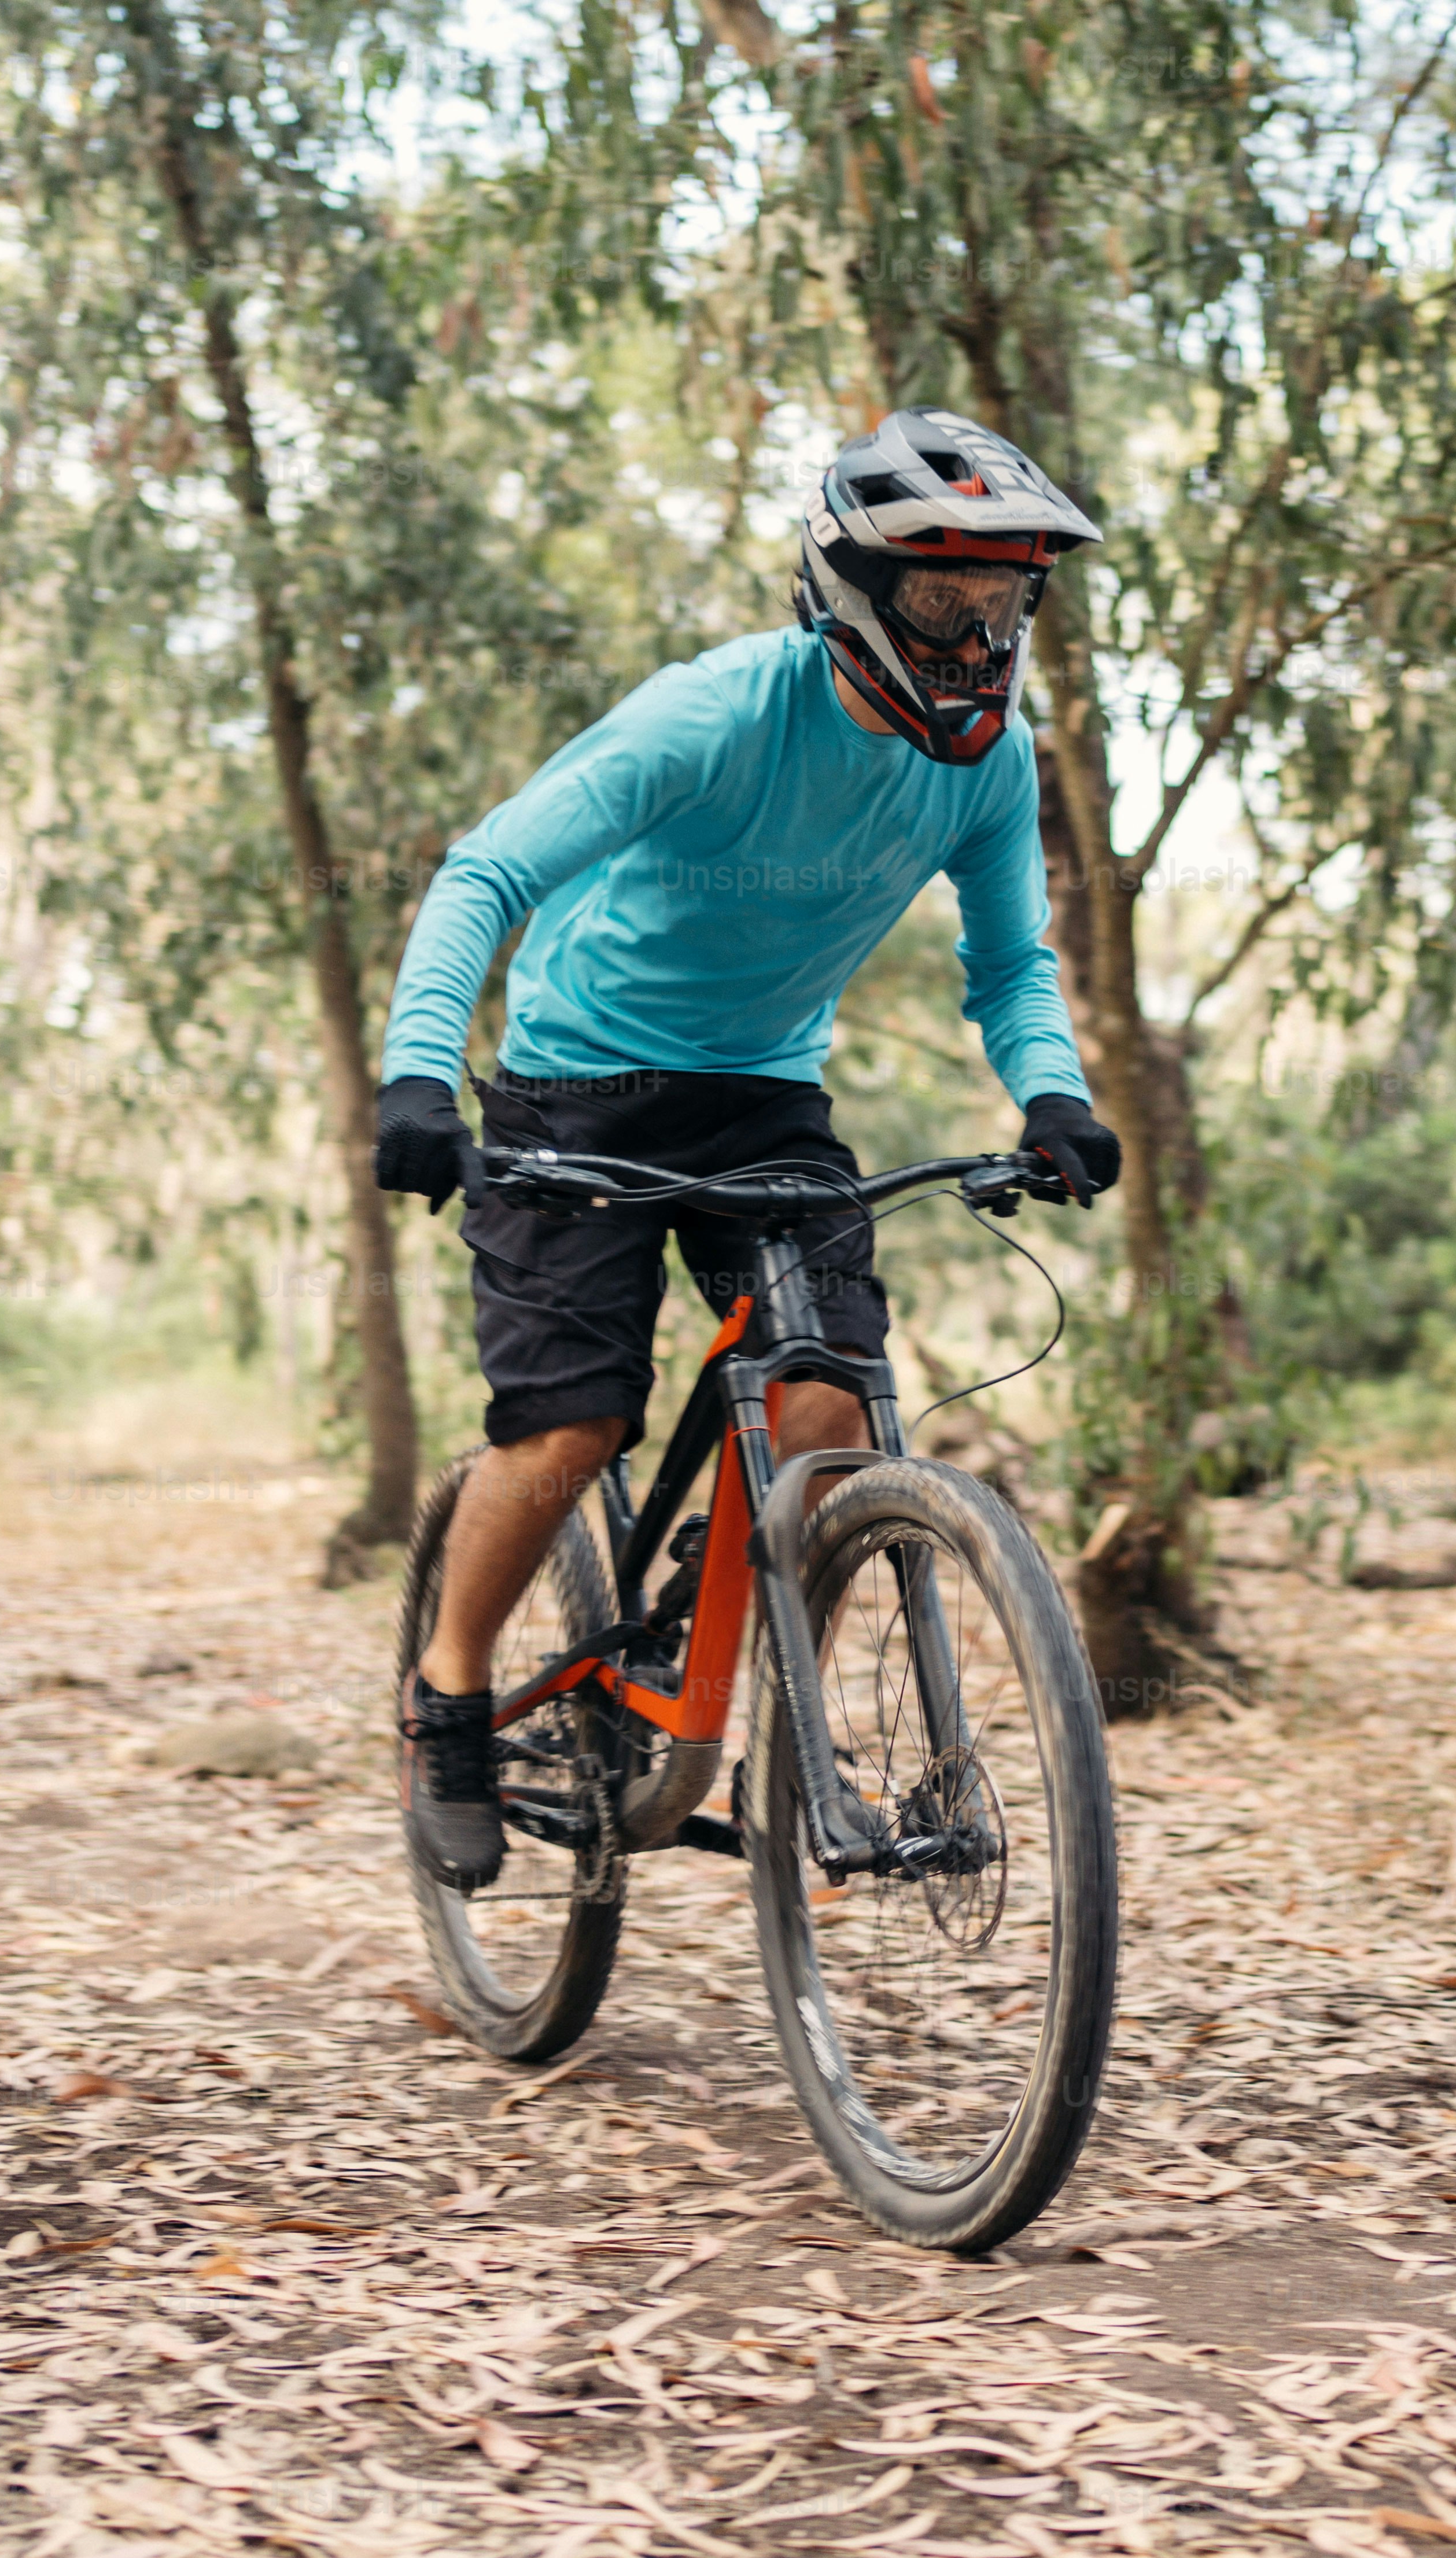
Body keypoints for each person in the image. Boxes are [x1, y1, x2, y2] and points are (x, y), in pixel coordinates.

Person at [370, 407, 1124, 1893]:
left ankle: (729, 1647)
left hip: (765, 1096)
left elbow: (1011, 964)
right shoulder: (714, 712)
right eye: (943, 600)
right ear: (853, 584)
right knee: (572, 1426)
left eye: (1004, 604)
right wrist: (415, 1076)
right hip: (574, 1087)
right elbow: (488, 870)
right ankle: (451, 1696)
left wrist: (1054, 1094)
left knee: (835, 1414)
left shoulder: (986, 763)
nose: (978, 640)